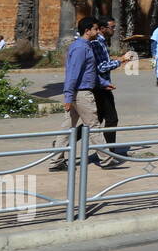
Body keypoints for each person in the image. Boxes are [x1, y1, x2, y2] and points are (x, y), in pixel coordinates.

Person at [56, 17, 110, 171]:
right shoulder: (80, 48)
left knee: (67, 128)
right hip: (81, 94)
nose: (97, 31)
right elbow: (73, 74)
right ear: (87, 31)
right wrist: (68, 96)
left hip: (78, 92)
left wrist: (104, 83)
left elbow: (89, 72)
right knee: (93, 125)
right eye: (95, 29)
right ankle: (106, 159)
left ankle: (56, 161)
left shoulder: (85, 46)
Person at [90, 17, 135, 162]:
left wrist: (118, 60)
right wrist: (120, 60)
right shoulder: (97, 43)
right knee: (111, 119)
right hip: (100, 86)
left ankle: (65, 143)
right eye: (112, 27)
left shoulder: (102, 43)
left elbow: (105, 62)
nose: (114, 30)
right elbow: (101, 67)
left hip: (103, 84)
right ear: (103, 29)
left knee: (95, 120)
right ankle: (110, 153)